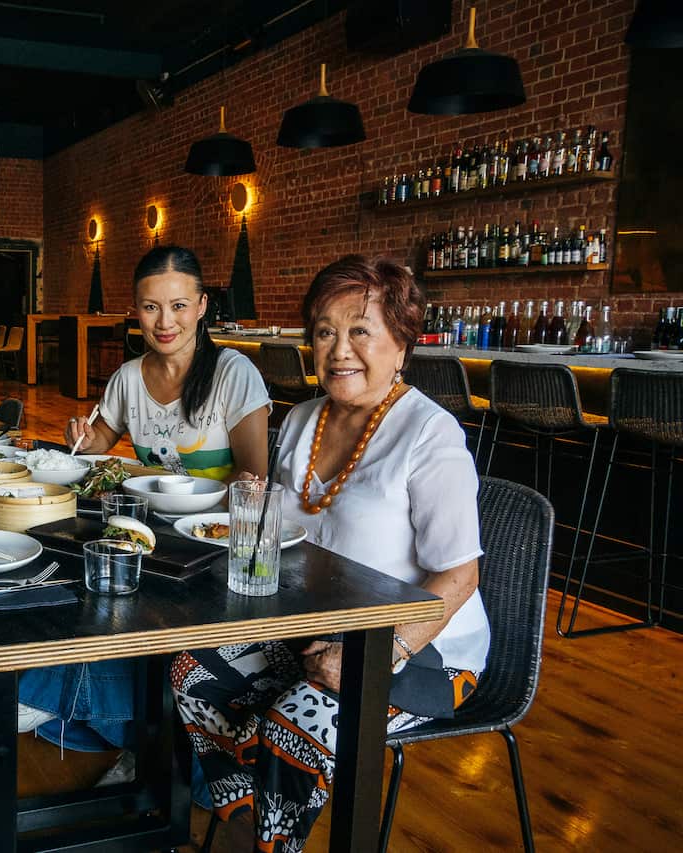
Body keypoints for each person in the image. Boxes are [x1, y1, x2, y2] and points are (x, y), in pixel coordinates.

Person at [170, 255, 489, 852]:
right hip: (315, 623)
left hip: (423, 648)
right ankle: (246, 816)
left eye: (360, 330)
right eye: (324, 331)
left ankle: (270, 843)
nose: (339, 349)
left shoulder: (430, 433)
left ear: (401, 344)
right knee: (193, 668)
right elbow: (274, 521)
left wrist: (379, 656)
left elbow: (460, 575)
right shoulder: (302, 419)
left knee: (300, 718)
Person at [17, 245, 272, 779]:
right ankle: (130, 734)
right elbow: (97, 449)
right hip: (149, 537)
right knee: (79, 575)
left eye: (179, 306)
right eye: (151, 307)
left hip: (210, 545)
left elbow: (253, 478)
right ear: (135, 309)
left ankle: (49, 693)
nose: (165, 321)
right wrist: (81, 440)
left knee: (121, 601)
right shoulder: (130, 376)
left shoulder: (233, 373)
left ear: (202, 306)